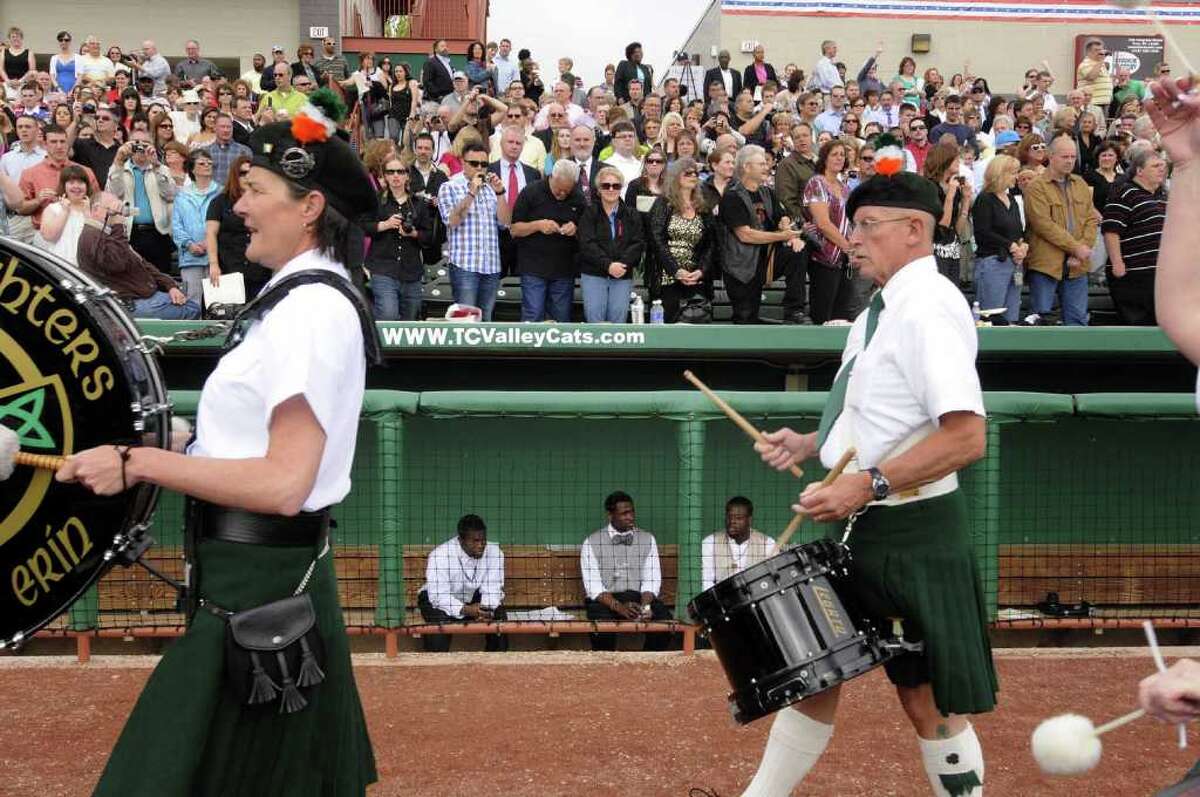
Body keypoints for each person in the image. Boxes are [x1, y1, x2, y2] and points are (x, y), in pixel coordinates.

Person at [59, 93, 379, 797]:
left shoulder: (313, 312)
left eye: (255, 190)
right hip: (247, 587)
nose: (237, 207)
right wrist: (166, 439)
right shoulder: (293, 303)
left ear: (309, 207)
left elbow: (284, 483)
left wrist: (137, 463)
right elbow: (246, 441)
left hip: (260, 590)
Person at [741, 169, 995, 797]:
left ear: (915, 229)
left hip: (914, 531)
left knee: (927, 701)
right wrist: (810, 444)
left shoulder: (930, 306)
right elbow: (879, 419)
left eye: (865, 226)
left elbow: (966, 438)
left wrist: (868, 484)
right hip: (871, 527)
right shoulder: (873, 315)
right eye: (851, 226)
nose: (850, 239)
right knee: (813, 669)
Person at [79, 191, 200, 319]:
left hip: (143, 295)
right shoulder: (91, 236)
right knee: (191, 310)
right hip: (126, 304)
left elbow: (142, 263)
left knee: (191, 305)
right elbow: (117, 264)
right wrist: (118, 225)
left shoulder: (107, 233)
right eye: (114, 210)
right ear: (96, 209)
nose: (119, 214)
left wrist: (170, 286)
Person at [720, 144, 807, 324]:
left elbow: (781, 217)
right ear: (746, 167)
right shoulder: (732, 196)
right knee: (745, 318)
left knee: (798, 252)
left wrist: (790, 233)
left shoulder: (767, 192)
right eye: (760, 164)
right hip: (741, 265)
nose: (766, 167)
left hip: (767, 258)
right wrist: (783, 236)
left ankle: (794, 311)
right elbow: (746, 235)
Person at [580, 491, 673, 652]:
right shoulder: (591, 542)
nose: (630, 517)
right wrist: (620, 608)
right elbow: (594, 587)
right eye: (624, 513)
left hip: (639, 598)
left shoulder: (648, 539)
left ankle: (647, 663)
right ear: (610, 515)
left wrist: (644, 608)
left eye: (632, 512)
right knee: (600, 624)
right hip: (607, 601)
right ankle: (606, 664)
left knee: (664, 621)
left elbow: (652, 579)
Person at [1023, 135, 1097, 326]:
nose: (1070, 161)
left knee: (1078, 321)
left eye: (1073, 157)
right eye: (1065, 157)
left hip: (1077, 266)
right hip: (1046, 265)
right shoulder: (1036, 187)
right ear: (1051, 156)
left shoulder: (1080, 184)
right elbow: (1043, 225)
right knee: (1040, 320)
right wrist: (1076, 248)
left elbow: (1090, 219)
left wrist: (1082, 249)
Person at [438, 140, 512, 319]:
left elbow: (505, 223)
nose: (480, 168)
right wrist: (471, 193)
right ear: (463, 162)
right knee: (465, 322)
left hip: (491, 266)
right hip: (465, 266)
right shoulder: (450, 187)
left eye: (484, 164)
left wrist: (501, 193)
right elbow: (452, 221)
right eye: (474, 163)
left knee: (485, 320)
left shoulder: (491, 189)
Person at [416, 514, 508, 653]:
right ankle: (436, 666)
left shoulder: (495, 553)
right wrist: (467, 610)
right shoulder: (440, 555)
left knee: (499, 616)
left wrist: (485, 610)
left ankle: (496, 663)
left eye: (483, 540)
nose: (481, 545)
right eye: (475, 541)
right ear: (461, 541)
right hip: (439, 600)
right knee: (439, 623)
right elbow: (439, 597)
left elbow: (493, 588)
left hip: (474, 600)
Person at [510, 158, 586, 322]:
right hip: (533, 268)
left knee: (561, 319)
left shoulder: (578, 198)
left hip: (564, 269)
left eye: (567, 190)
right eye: (559, 189)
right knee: (533, 315)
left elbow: (588, 234)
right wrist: (537, 225)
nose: (562, 194)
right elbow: (514, 229)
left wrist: (576, 229)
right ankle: (530, 348)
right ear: (551, 177)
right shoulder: (531, 192)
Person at [1102, 146, 1167, 326]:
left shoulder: (1163, 197)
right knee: (1140, 325)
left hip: (1161, 274)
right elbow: (1111, 230)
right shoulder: (1124, 192)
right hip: (1134, 275)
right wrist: (1117, 262)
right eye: (1155, 166)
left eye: (1162, 165)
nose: (1162, 169)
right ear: (1139, 171)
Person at [647, 157, 717, 323]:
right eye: (688, 173)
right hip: (666, 277)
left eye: (696, 173)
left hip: (695, 277)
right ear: (676, 177)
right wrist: (676, 271)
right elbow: (657, 241)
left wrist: (701, 270)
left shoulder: (703, 206)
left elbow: (711, 244)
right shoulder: (663, 203)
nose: (694, 176)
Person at [367, 156, 433, 320]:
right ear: (385, 176)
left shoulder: (419, 203)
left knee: (409, 323)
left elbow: (430, 236)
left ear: (407, 176)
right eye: (391, 172)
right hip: (383, 268)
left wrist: (413, 233)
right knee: (388, 315)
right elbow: (362, 226)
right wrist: (385, 225)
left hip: (411, 271)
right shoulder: (376, 201)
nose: (396, 176)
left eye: (400, 171)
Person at [578, 164, 644, 323]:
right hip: (594, 273)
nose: (611, 189)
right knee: (595, 322)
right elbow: (587, 244)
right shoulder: (589, 213)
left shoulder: (631, 214)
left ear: (621, 188)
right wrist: (608, 265)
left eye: (616, 185)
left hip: (622, 274)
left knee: (618, 322)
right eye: (606, 185)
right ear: (598, 189)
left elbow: (638, 243)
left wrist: (621, 264)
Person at [106, 130, 177, 274]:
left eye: (146, 144)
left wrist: (157, 165)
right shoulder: (119, 168)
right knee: (132, 279)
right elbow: (112, 195)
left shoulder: (162, 169)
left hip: (158, 234)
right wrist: (118, 162)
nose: (141, 148)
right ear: (128, 145)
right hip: (130, 234)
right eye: (136, 143)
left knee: (162, 281)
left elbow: (171, 195)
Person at [803, 139, 857, 323]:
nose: (839, 158)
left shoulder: (845, 188)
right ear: (824, 158)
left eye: (842, 154)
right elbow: (823, 223)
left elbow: (849, 223)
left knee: (841, 315)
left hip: (844, 259)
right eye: (834, 154)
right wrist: (848, 248)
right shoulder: (816, 183)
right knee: (822, 312)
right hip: (824, 255)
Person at [206, 155, 271, 301]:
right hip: (229, 266)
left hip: (259, 268)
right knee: (229, 314)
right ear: (235, 175)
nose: (247, 177)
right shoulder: (220, 202)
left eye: (250, 173)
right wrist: (213, 264)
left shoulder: (265, 201)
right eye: (242, 173)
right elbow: (210, 233)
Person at [971, 154, 1027, 323]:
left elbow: (1018, 229)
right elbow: (983, 232)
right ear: (1000, 174)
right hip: (993, 263)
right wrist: (1010, 245)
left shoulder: (1011, 199)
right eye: (1013, 173)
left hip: (1015, 264)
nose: (1016, 177)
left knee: (1012, 316)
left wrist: (1022, 245)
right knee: (991, 315)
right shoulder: (984, 199)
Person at [18, 124, 100, 236]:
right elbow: (21, 208)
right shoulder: (30, 173)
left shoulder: (85, 171)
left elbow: (98, 203)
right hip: (45, 235)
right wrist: (38, 200)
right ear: (45, 144)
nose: (59, 146)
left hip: (80, 233)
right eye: (53, 142)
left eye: (62, 142)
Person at [171, 148, 221, 303]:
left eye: (209, 163)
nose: (207, 165)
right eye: (202, 163)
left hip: (216, 256)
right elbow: (176, 225)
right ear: (192, 169)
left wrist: (209, 242)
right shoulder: (182, 195)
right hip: (190, 258)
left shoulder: (221, 192)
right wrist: (189, 244)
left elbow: (225, 222)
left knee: (217, 303)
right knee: (192, 302)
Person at [700, 497, 776, 592]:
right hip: (722, 601)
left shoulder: (767, 544)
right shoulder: (710, 542)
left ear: (749, 520)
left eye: (738, 518)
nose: (732, 522)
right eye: (729, 517)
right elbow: (706, 582)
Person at [923, 142, 973, 284]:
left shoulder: (953, 187)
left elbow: (957, 228)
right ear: (944, 160)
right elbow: (942, 226)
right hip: (935, 252)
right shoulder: (929, 188)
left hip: (953, 250)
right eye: (956, 159)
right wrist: (950, 196)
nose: (959, 162)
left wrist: (966, 199)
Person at [34, 164, 93, 265]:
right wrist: (65, 211)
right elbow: (49, 236)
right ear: (64, 186)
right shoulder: (53, 209)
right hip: (60, 265)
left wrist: (88, 214)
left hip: (87, 268)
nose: (76, 186)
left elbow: (97, 241)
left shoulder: (94, 210)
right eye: (71, 182)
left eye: (81, 182)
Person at [0, 114, 44, 243]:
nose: (24, 130)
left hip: (39, 216)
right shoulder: (7, 158)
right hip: (13, 218)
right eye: (20, 127)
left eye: (28, 127)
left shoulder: (46, 157)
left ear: (37, 130)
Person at [1076, 38, 1113, 121]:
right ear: (1089, 52)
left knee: (1102, 127)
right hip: (1093, 102)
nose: (1100, 52)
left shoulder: (1100, 64)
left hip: (1104, 102)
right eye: (1096, 50)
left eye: (1101, 49)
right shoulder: (1086, 64)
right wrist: (1101, 60)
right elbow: (1092, 77)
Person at [421, 39, 455, 104]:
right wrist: (438, 96)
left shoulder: (448, 63)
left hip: (449, 98)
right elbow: (427, 82)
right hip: (436, 100)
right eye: (442, 46)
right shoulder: (430, 62)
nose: (445, 48)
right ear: (435, 49)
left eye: (446, 46)